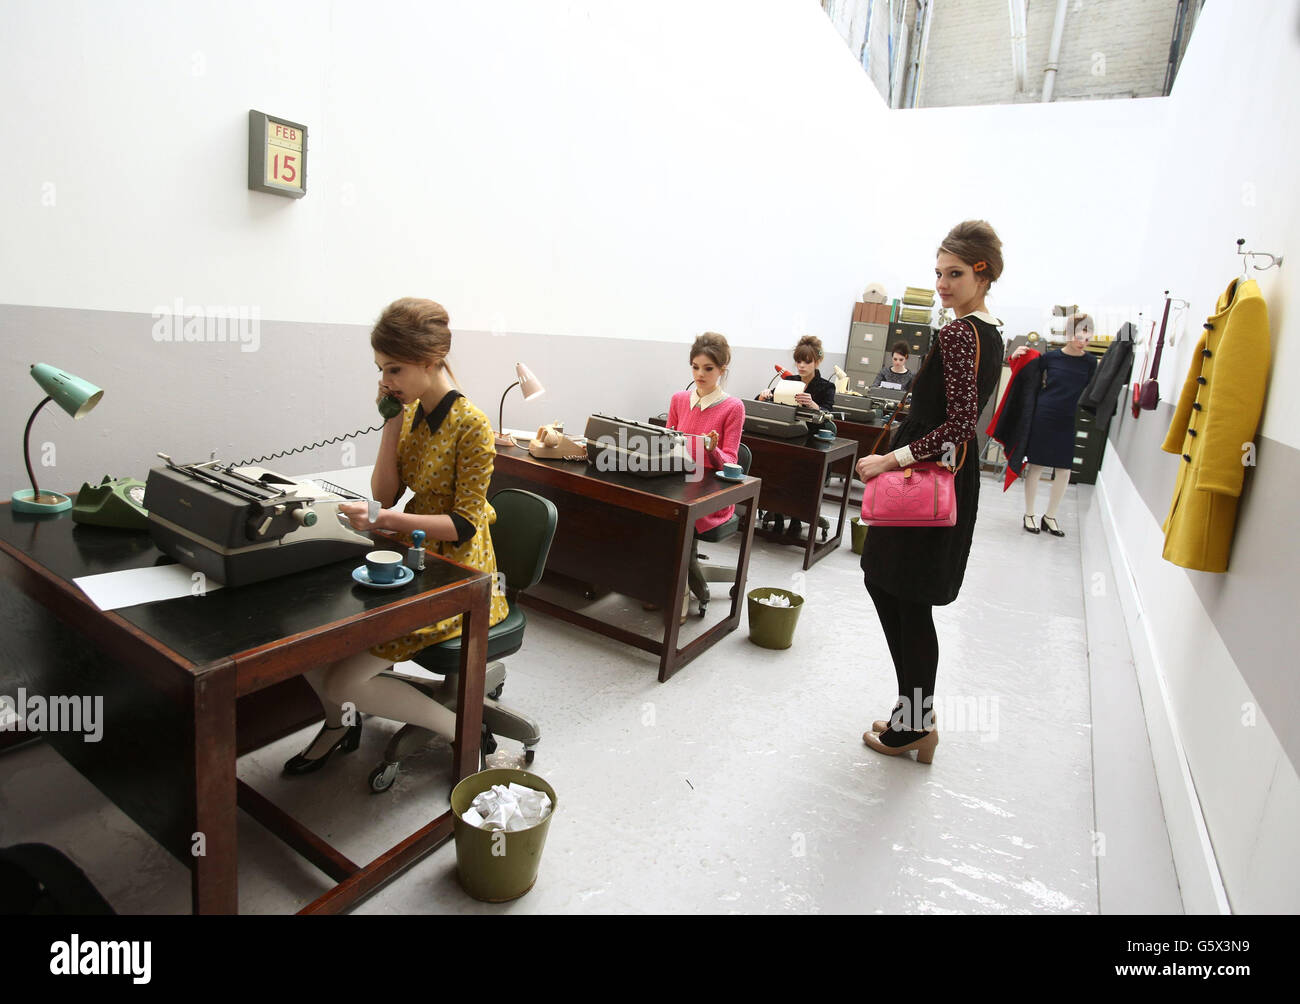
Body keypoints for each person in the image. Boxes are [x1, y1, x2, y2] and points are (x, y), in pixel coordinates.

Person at [283, 297, 510, 774]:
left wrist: (385, 521)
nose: (385, 381)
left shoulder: (472, 425)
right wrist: (390, 421)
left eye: (394, 370)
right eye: (380, 370)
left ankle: (463, 730)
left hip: (461, 578)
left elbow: (463, 523)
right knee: (300, 633)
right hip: (413, 558)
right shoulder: (409, 413)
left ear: (430, 362)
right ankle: (339, 724)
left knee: (344, 680)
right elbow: (385, 493)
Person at [855, 221, 1005, 764]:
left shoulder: (963, 332)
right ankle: (912, 717)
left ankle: (914, 725)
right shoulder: (989, 331)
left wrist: (887, 460)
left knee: (904, 599)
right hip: (940, 479)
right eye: (938, 273)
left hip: (925, 478)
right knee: (893, 589)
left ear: (982, 274)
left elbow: (960, 423)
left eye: (955, 274)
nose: (943, 284)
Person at [664, 332, 746, 623]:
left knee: (677, 524)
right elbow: (667, 443)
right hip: (678, 483)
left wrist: (711, 450)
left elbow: (731, 461)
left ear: (722, 369)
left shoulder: (733, 407)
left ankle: (680, 594)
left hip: (710, 494)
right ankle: (658, 588)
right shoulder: (678, 399)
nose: (700, 374)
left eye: (708, 368)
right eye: (695, 367)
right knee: (651, 516)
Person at [1010, 313, 1098, 537]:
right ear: (1069, 333)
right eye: (1080, 335)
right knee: (1037, 465)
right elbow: (1026, 375)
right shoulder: (1050, 358)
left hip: (1068, 418)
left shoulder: (1090, 362)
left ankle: (1050, 516)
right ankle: (1029, 513)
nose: (1084, 341)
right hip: (1044, 414)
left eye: (1088, 338)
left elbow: (1093, 390)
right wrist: (1016, 356)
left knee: (1064, 469)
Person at [756, 334, 838, 538]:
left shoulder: (826, 387)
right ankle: (777, 511)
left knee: (801, 471)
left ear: (817, 361)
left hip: (811, 439)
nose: (801, 365)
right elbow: (766, 401)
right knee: (774, 465)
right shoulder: (789, 381)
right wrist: (763, 395)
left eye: (806, 361)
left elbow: (829, 414)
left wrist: (813, 405)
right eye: (798, 361)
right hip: (787, 434)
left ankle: (796, 517)